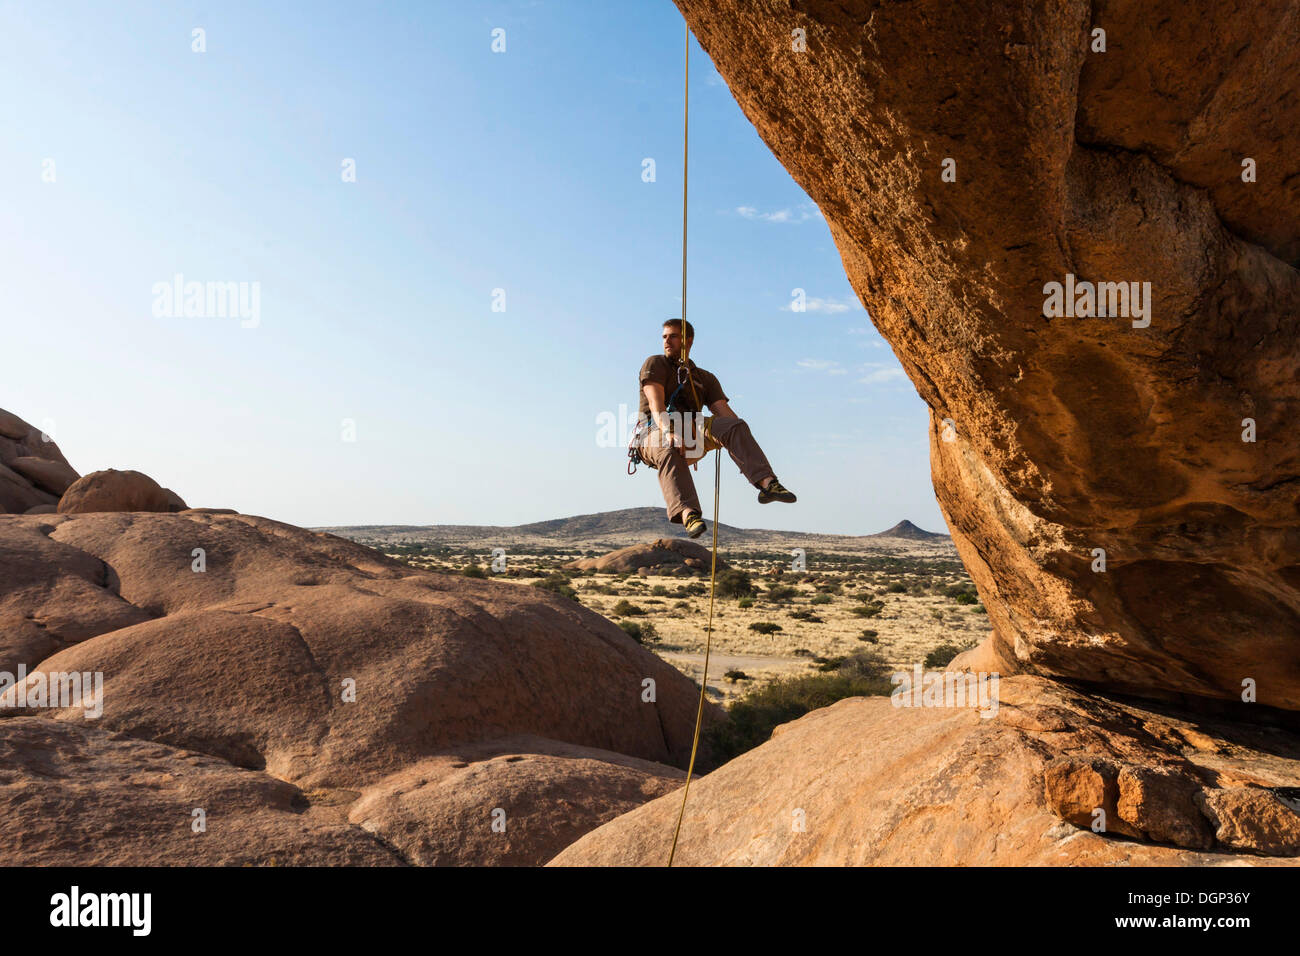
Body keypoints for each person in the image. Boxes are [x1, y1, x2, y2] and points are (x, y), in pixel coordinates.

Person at [635, 318, 796, 539]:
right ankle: (689, 513)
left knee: (734, 425)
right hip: (655, 432)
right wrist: (669, 432)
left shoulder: (705, 378)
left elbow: (724, 413)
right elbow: (656, 405)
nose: (667, 341)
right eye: (664, 337)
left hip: (691, 429)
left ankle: (768, 484)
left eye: (673, 336)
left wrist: (735, 435)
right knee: (667, 445)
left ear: (688, 341)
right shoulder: (655, 364)